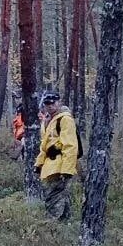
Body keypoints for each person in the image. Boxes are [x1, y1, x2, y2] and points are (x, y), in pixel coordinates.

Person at [34, 90, 80, 221]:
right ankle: (64, 228)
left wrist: (67, 170)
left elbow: (70, 146)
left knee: (53, 197)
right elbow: (45, 146)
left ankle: (52, 227)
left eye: (52, 102)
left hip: (60, 166)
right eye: (47, 103)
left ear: (58, 102)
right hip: (50, 166)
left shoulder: (65, 119)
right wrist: (39, 164)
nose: (50, 105)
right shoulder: (48, 121)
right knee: (60, 198)